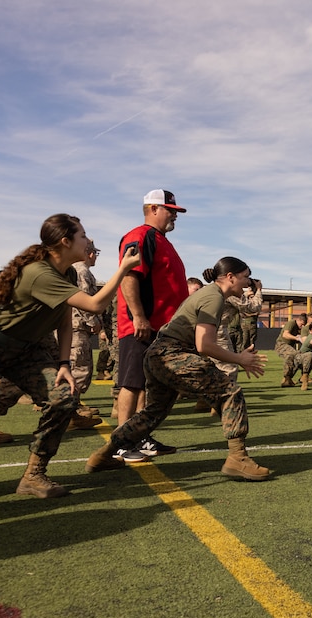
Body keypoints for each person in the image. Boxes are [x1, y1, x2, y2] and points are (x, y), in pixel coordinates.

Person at [0, 214, 141, 497]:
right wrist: (123, 269)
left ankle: (33, 476)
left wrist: (63, 363)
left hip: (25, 350)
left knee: (63, 397)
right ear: (65, 241)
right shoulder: (40, 272)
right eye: (83, 235)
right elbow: (95, 304)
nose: (88, 241)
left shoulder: (67, 273)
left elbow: (63, 316)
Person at [85, 257, 271, 480]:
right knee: (230, 391)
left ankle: (104, 454)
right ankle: (238, 459)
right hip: (172, 353)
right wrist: (239, 358)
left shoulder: (210, 294)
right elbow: (205, 345)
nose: (248, 283)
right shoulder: (214, 297)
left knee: (153, 412)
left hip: (157, 355)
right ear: (230, 277)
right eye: (245, 277)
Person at [115, 189, 190, 461]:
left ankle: (140, 435)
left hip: (160, 328)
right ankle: (121, 444)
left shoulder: (160, 239)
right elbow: (129, 276)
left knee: (146, 383)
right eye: (171, 210)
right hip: (142, 325)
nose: (174, 216)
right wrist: (138, 316)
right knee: (132, 382)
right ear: (153, 209)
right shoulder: (141, 235)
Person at [67, 240, 104, 429]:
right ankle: (70, 414)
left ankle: (73, 409)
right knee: (79, 369)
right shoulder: (81, 271)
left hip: (71, 327)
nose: (96, 256)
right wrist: (93, 321)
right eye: (95, 252)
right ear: (89, 253)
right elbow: (83, 300)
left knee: (74, 368)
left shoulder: (75, 269)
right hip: (76, 327)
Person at [274, 313, 306, 387]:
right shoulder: (291, 323)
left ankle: (300, 376)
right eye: (302, 324)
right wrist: (297, 338)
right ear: (298, 320)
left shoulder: (301, 328)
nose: (302, 326)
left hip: (290, 346)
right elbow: (285, 334)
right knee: (292, 354)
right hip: (281, 344)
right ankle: (287, 378)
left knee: (300, 357)